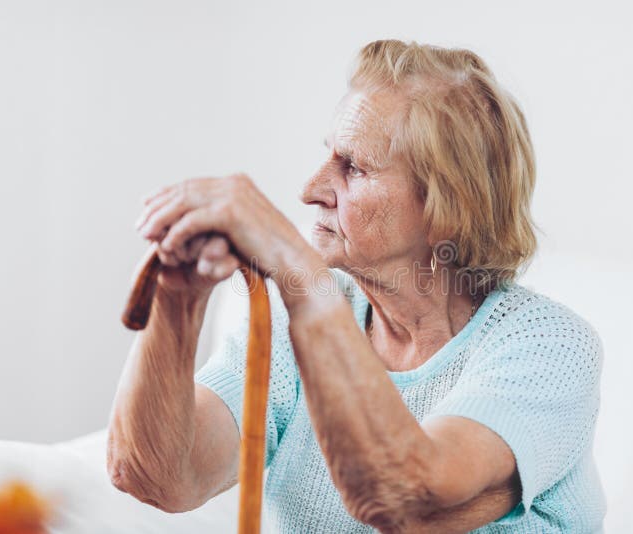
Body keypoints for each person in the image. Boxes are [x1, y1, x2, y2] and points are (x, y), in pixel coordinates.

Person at [107, 39, 606, 533]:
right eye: (328, 157)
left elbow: (407, 494)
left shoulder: (548, 348)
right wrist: (178, 299)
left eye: (354, 167)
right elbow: (160, 475)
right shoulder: (292, 329)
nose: (310, 190)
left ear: (447, 207)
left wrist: (299, 274)